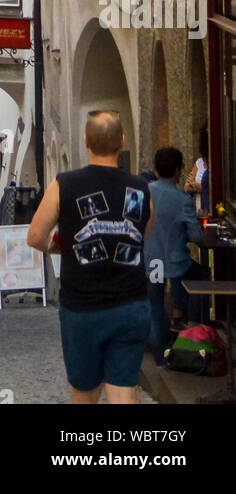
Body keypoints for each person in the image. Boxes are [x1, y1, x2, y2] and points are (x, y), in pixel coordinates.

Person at [27, 110, 153, 405]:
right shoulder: (142, 189)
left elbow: (35, 236)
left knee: (84, 393)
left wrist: (62, 245)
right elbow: (142, 236)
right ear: (121, 141)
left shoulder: (65, 184)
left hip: (82, 308)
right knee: (123, 391)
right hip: (131, 304)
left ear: (86, 141)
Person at [145, 145, 206, 364]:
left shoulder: (145, 192)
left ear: (157, 169)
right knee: (201, 277)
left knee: (155, 305)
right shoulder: (182, 200)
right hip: (175, 261)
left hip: (152, 262)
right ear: (178, 171)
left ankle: (161, 356)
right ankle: (193, 328)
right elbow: (196, 235)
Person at [184, 126, 208, 215]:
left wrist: (196, 185)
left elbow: (207, 189)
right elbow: (186, 187)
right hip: (198, 208)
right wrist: (197, 187)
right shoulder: (199, 162)